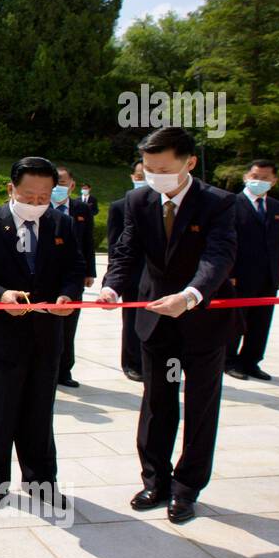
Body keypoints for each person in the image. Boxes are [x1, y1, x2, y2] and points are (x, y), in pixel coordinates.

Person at [99, 127, 236, 524]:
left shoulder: (218, 204)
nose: (154, 175)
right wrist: (111, 287)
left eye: (163, 168)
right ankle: (155, 480)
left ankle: (187, 487)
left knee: (200, 406)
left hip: (202, 321)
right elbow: (126, 250)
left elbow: (219, 257)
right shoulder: (139, 200)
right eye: (148, 167)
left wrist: (190, 296)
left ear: (189, 163)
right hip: (156, 319)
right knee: (157, 403)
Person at [0, 157, 83, 509]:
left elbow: (75, 268)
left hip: (46, 335)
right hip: (1, 335)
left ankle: (41, 480)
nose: (37, 204)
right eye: (29, 196)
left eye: (45, 197)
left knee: (40, 411)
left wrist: (68, 296)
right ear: (11, 189)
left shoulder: (61, 224)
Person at [225, 159, 279, 381]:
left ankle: (251, 361)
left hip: (268, 276)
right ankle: (230, 361)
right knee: (236, 321)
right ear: (246, 177)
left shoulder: (276, 207)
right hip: (239, 276)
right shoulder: (230, 204)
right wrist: (228, 273)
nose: (258, 181)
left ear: (274, 180)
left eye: (264, 178)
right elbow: (225, 243)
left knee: (261, 322)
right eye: (254, 176)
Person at [50, 166, 97, 388]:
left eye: (61, 182)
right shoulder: (41, 207)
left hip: (73, 275)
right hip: (47, 275)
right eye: (54, 182)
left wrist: (90, 271)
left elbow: (88, 241)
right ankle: (46, 369)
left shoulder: (81, 209)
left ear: (72, 185)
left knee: (69, 326)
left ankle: (64, 370)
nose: (57, 187)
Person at [107, 160, 147, 381]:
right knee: (132, 323)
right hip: (133, 275)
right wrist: (115, 280)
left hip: (161, 277)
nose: (144, 179)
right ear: (132, 176)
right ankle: (132, 363)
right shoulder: (120, 206)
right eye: (139, 175)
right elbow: (115, 246)